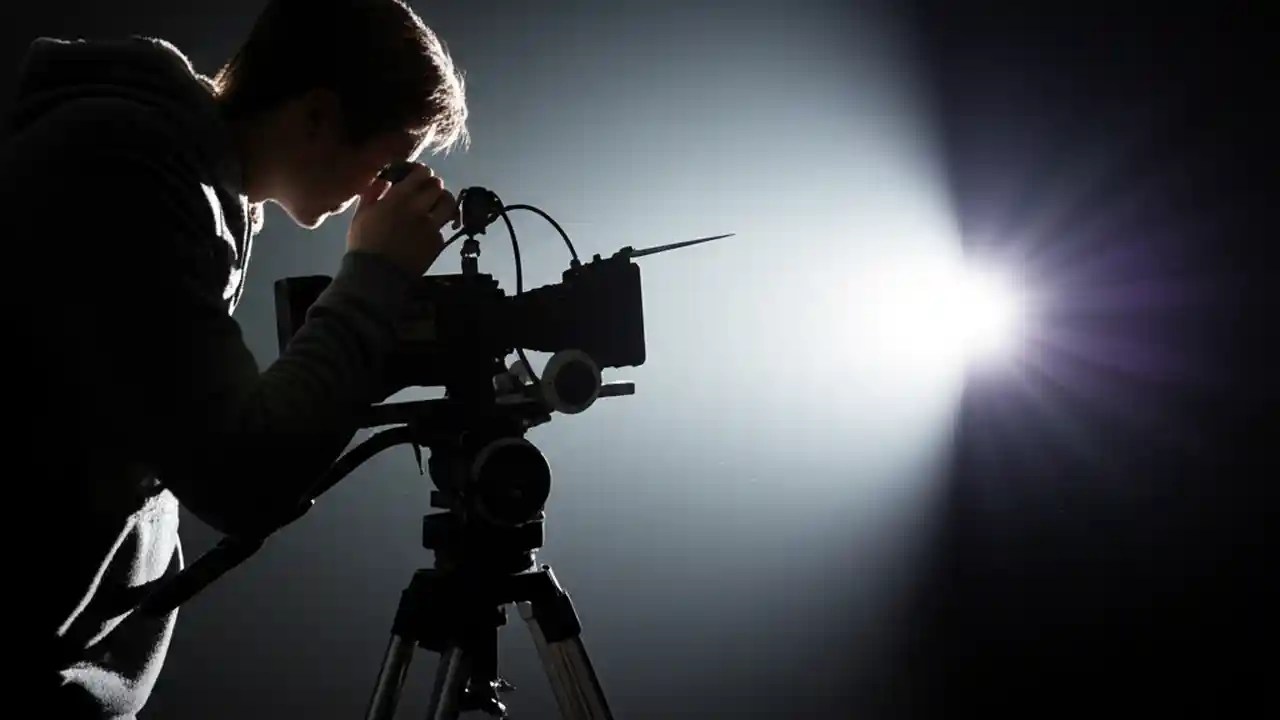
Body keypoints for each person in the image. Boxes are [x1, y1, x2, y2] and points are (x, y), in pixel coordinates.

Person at [2, 1, 469, 716]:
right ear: (317, 115)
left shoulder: (187, 179)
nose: (379, 193)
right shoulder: (127, 175)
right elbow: (242, 473)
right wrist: (376, 273)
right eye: (389, 159)